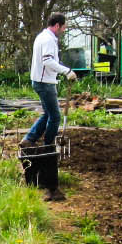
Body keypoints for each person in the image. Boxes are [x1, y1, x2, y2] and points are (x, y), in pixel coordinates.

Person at [22, 13, 74, 147]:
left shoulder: (42, 37)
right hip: (45, 83)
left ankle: (29, 139)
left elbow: (51, 60)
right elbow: (47, 60)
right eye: (63, 28)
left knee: (48, 114)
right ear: (57, 25)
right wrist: (66, 71)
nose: (63, 31)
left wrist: (62, 67)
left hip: (40, 80)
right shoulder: (48, 39)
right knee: (55, 117)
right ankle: (48, 145)